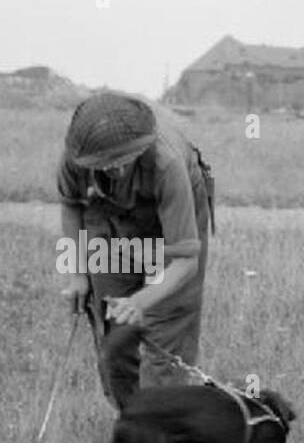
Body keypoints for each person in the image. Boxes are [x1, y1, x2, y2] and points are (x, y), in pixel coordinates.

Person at [57, 91, 214, 410]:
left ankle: (159, 435)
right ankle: (131, 424)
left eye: (121, 163)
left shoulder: (166, 164)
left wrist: (141, 301)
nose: (112, 171)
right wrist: (77, 274)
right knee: (114, 330)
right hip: (109, 214)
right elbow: (72, 204)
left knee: (165, 328)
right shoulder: (76, 158)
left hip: (171, 218)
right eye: (103, 166)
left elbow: (185, 261)